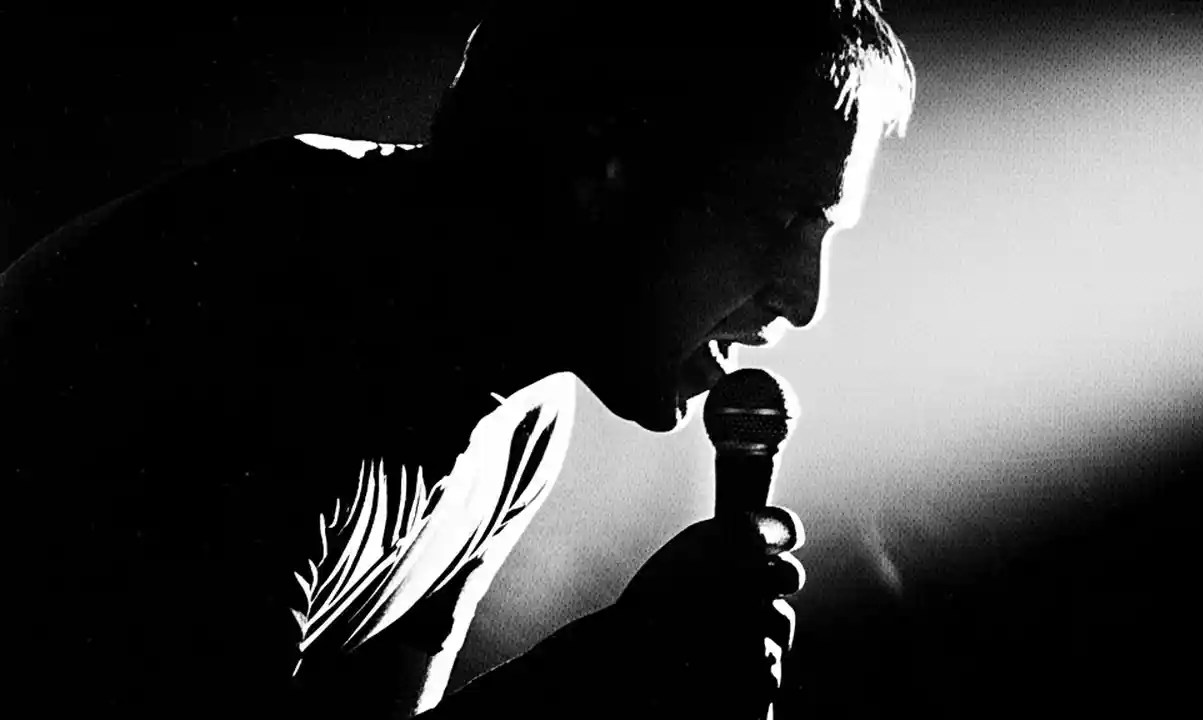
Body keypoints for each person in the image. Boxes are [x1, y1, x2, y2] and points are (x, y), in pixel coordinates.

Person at [0, 1, 914, 717]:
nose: (805, 298)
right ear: (610, 166)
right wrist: (592, 694)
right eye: (789, 218)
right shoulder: (245, 329)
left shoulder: (525, 420)